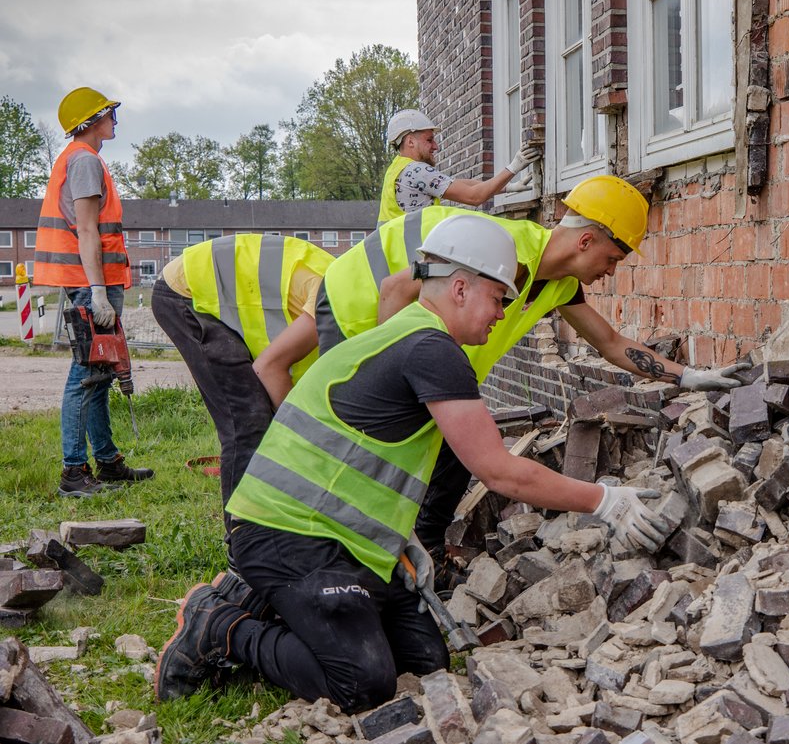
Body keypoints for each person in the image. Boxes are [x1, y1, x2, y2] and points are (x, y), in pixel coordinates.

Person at [153, 215, 669, 711]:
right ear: (460, 288)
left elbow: (370, 461)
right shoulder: (429, 349)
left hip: (343, 537)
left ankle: (283, 608)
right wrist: (606, 501)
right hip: (287, 532)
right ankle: (218, 625)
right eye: (497, 299)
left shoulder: (417, 336)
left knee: (425, 663)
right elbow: (499, 471)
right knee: (363, 682)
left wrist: (404, 536)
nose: (501, 314)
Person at [276, 175, 741, 576]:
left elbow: (611, 343)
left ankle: (424, 554)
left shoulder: (559, 284)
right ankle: (328, 550)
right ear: (586, 241)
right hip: (358, 305)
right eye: (612, 258)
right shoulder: (500, 251)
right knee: (369, 441)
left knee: (455, 451)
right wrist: (393, 371)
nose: (610, 272)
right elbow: (396, 287)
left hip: (406, 330)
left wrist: (690, 377)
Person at [150, 233, 334, 532]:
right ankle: (242, 538)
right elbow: (270, 367)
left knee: (264, 415)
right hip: (185, 293)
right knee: (248, 419)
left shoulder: (347, 294)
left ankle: (270, 520)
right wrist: (304, 442)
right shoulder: (332, 301)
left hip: (213, 291)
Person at [34, 87, 153, 498]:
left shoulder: (84, 160)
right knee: (86, 376)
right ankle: (73, 472)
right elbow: (86, 229)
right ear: (92, 121)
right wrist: (98, 291)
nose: (115, 120)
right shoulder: (84, 162)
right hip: (91, 285)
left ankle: (106, 461)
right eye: (109, 114)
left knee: (100, 374)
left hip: (93, 282)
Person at [376, 108, 540, 226]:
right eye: (429, 140)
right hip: (413, 259)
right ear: (410, 141)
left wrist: (507, 187)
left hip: (400, 259)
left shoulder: (397, 169)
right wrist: (513, 168)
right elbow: (474, 197)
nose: (435, 146)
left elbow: (459, 184)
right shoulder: (417, 171)